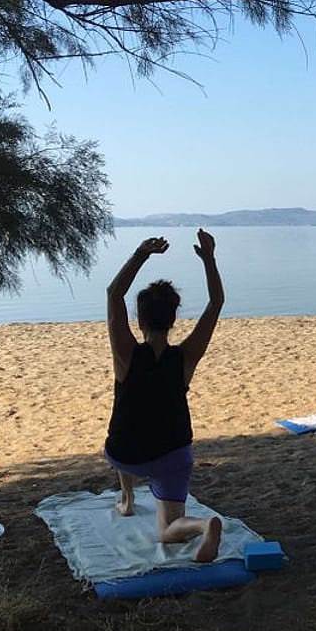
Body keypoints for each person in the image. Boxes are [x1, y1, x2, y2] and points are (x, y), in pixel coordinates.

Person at [104, 230, 224, 562]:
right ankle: (201, 526)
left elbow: (114, 294)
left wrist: (141, 254)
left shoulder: (126, 354)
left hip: (126, 453)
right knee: (168, 528)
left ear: (139, 320)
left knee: (122, 428)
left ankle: (127, 500)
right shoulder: (185, 357)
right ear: (173, 321)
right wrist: (209, 259)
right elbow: (216, 303)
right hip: (173, 453)